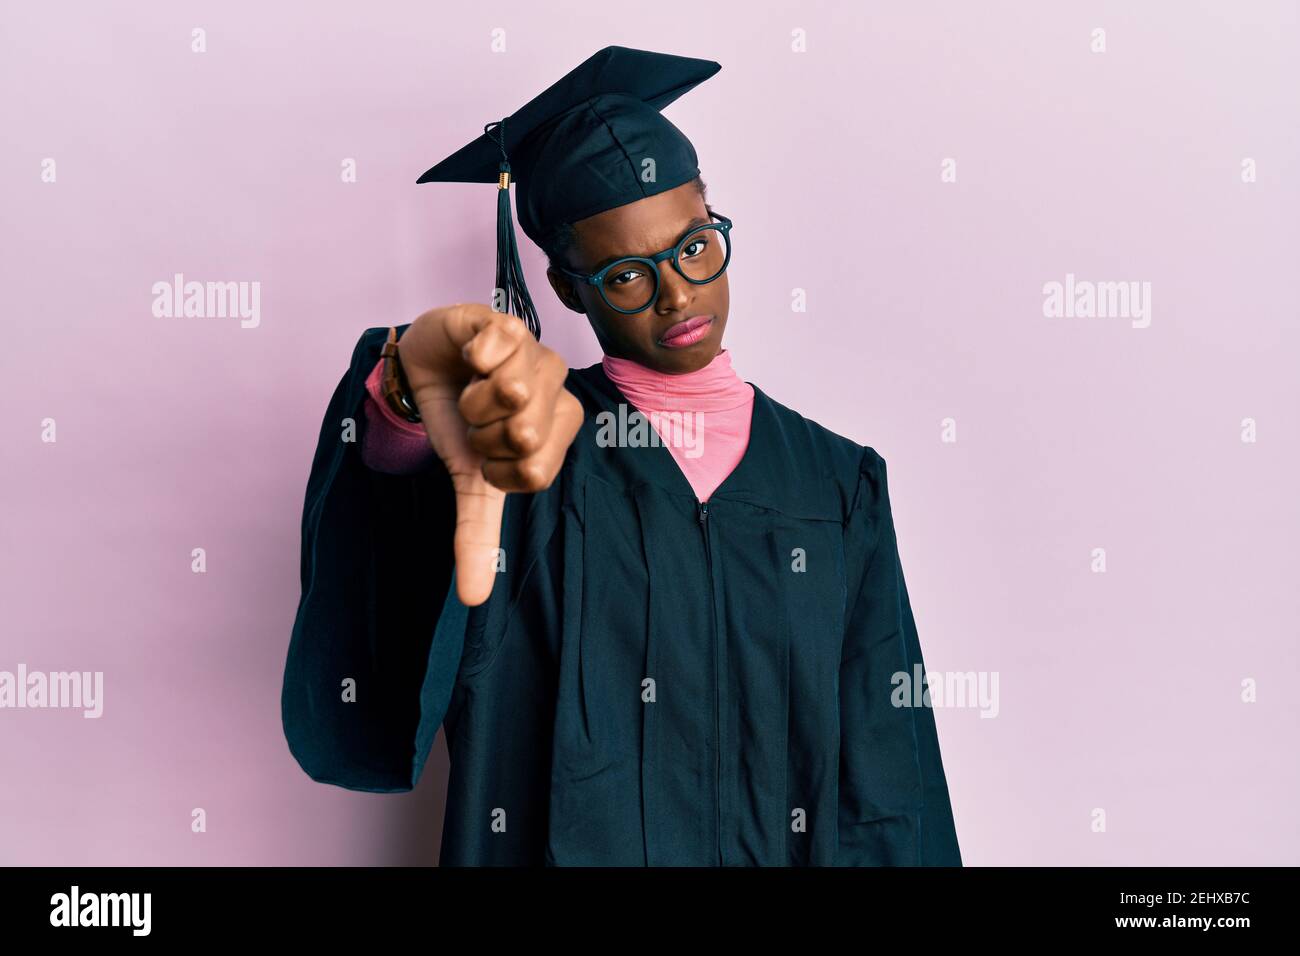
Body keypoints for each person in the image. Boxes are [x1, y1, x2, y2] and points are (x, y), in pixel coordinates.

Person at [280, 45, 962, 866]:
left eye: (695, 246)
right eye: (627, 275)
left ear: (715, 220)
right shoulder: (522, 461)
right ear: (569, 289)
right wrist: (404, 399)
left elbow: (889, 780)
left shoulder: (835, 482)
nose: (677, 292)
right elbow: (378, 671)